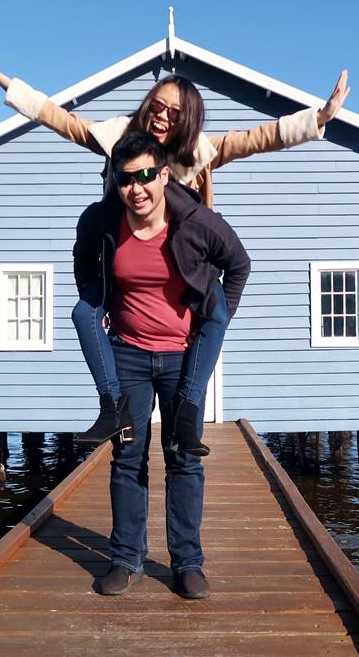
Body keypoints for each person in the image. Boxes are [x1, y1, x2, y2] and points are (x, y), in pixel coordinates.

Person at [0, 34, 350, 454]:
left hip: (182, 269)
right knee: (83, 313)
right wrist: (5, 81)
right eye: (158, 105)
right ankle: (111, 405)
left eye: (175, 111)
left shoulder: (198, 153)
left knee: (216, 312)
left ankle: (188, 410)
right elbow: (63, 120)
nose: (164, 116)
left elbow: (257, 137)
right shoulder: (118, 139)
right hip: (123, 261)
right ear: (147, 104)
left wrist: (318, 117)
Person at [73, 129, 250, 598]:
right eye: (126, 179)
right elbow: (82, 259)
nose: (137, 188)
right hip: (127, 353)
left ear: (164, 174)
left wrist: (216, 316)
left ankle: (187, 562)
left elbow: (239, 264)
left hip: (180, 356)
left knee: (183, 457)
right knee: (127, 456)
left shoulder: (195, 222)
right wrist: (97, 300)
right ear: (116, 181)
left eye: (147, 176)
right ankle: (125, 559)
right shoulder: (104, 220)